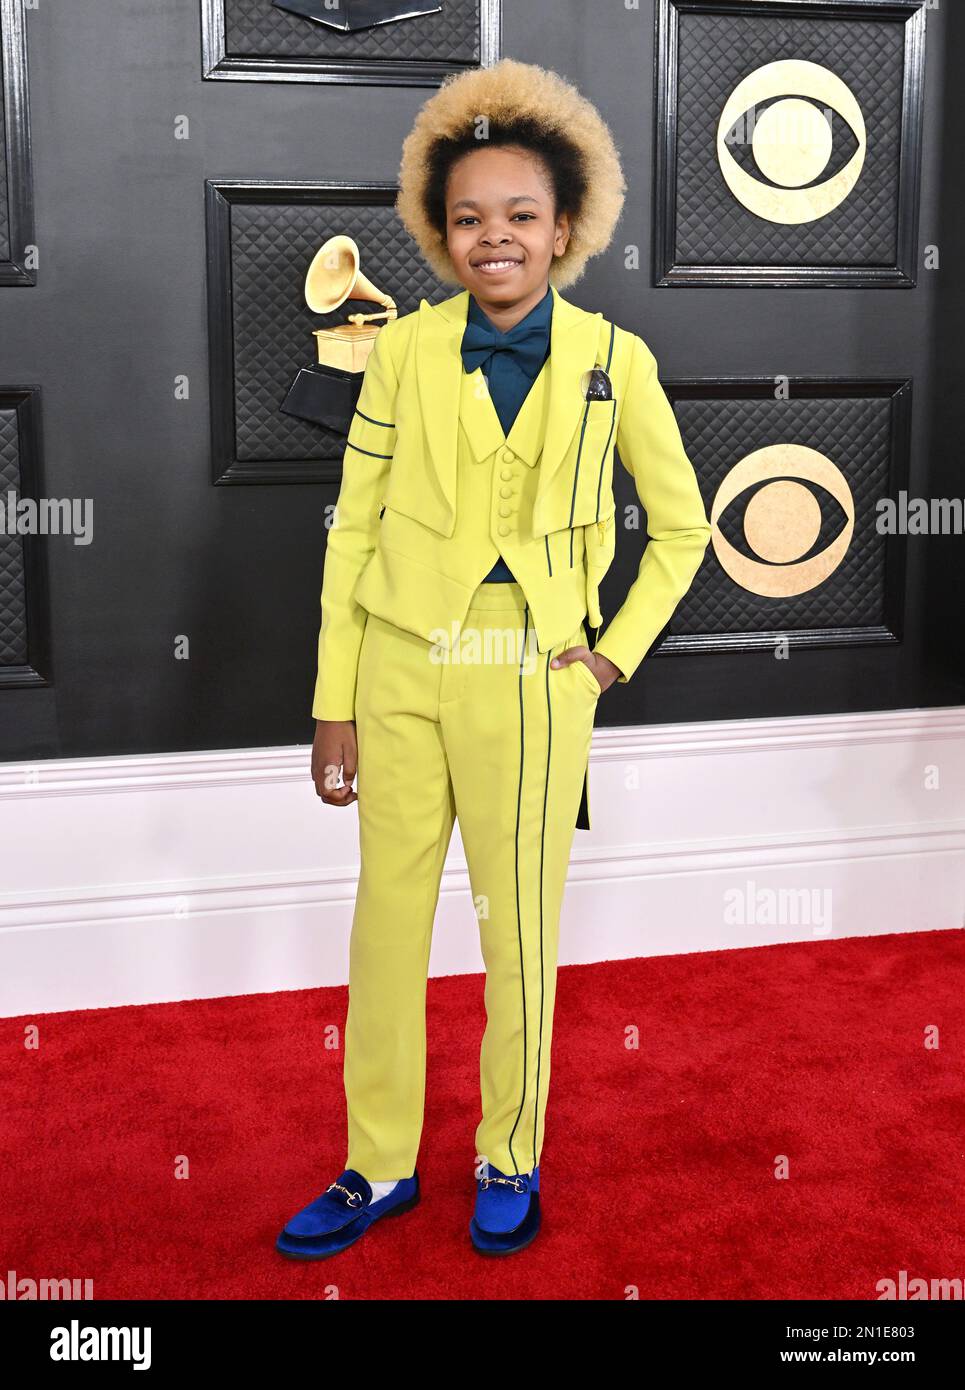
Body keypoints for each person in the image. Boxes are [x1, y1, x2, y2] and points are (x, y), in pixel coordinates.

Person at [277, 58, 712, 1260]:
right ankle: (375, 1167)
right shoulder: (402, 354)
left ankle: (506, 1153)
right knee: (386, 927)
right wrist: (333, 703)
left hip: (534, 678)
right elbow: (353, 531)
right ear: (438, 231)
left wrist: (607, 658)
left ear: (562, 228)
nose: (493, 237)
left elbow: (682, 529)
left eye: (519, 215)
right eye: (468, 218)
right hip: (395, 673)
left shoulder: (612, 362)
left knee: (515, 931)